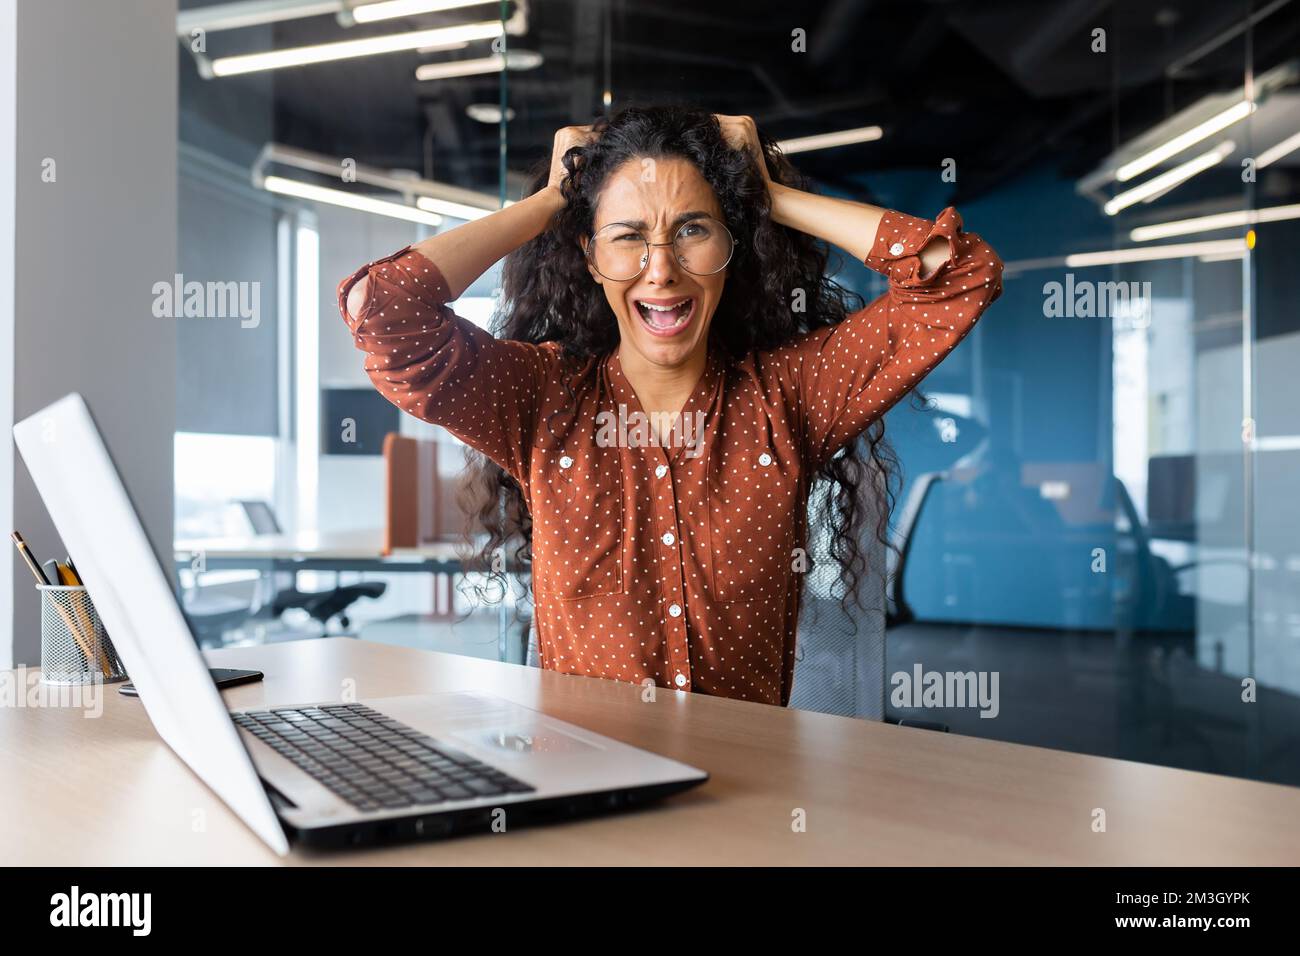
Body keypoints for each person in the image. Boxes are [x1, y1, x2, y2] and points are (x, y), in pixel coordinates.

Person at [338, 104, 1004, 706]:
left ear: (732, 249)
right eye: (627, 236)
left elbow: (960, 276)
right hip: (590, 798)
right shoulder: (540, 402)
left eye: (693, 231)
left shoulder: (792, 397)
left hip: (746, 800)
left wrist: (769, 195)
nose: (661, 270)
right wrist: (551, 202)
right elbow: (383, 309)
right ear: (591, 258)